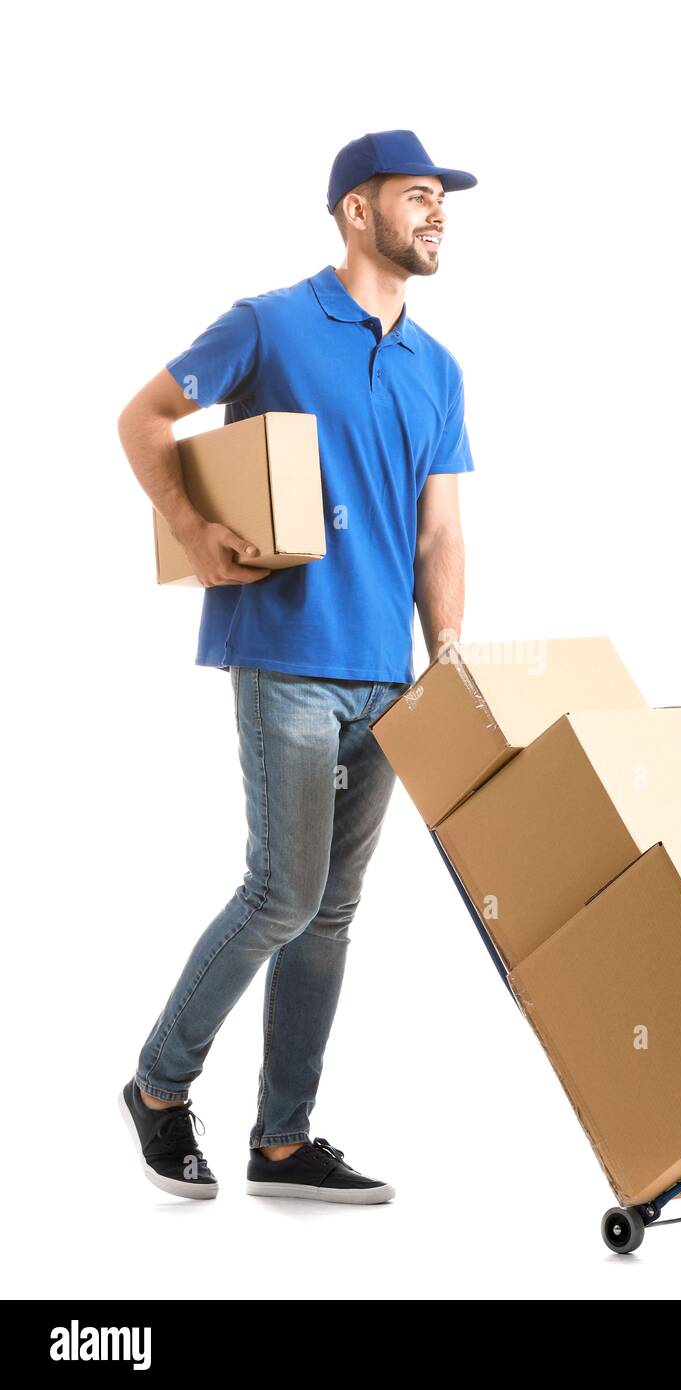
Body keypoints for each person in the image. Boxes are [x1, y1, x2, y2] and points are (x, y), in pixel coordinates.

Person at [116, 130, 477, 1204]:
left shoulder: (436, 366)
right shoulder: (267, 324)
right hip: (283, 655)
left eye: (441, 200)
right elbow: (143, 417)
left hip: (385, 675)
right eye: (416, 197)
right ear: (354, 211)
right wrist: (188, 522)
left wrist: (447, 649)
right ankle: (158, 1086)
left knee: (331, 907)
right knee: (281, 892)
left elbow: (438, 535)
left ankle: (282, 1141)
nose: (436, 214)